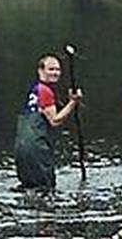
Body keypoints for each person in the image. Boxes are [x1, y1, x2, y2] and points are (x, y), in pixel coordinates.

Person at [14, 53, 82, 190]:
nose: (55, 73)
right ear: (40, 70)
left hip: (21, 147)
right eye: (51, 69)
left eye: (58, 69)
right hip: (37, 148)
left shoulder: (35, 90)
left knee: (28, 187)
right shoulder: (45, 91)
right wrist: (73, 102)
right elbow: (55, 120)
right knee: (45, 187)